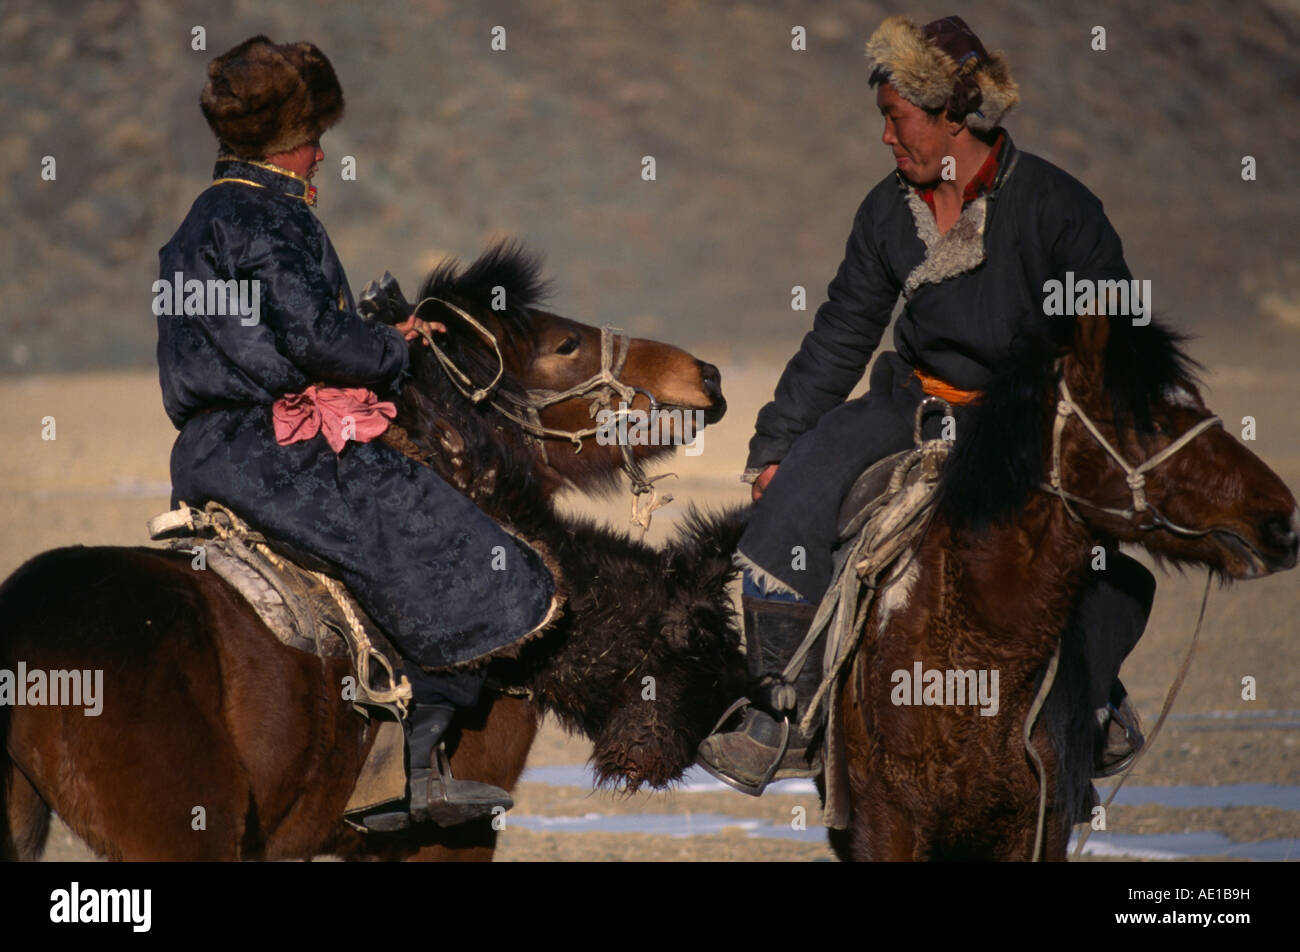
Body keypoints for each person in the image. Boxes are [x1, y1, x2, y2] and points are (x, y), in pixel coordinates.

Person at [697, 15, 1152, 797]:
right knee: (784, 516)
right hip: (909, 404)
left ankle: (1090, 704)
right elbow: (843, 331)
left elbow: (1115, 334)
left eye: (895, 118)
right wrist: (776, 444)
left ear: (950, 117)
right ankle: (782, 712)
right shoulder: (886, 212)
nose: (885, 138)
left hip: (1026, 417)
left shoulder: (1057, 208)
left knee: (1090, 552)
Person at [156, 35, 559, 831]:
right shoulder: (270, 217)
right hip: (275, 449)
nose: (318, 160)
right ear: (293, 144)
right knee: (453, 542)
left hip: (204, 450)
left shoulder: (196, 224)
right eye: (315, 144)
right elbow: (314, 341)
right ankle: (411, 766)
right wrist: (393, 344)